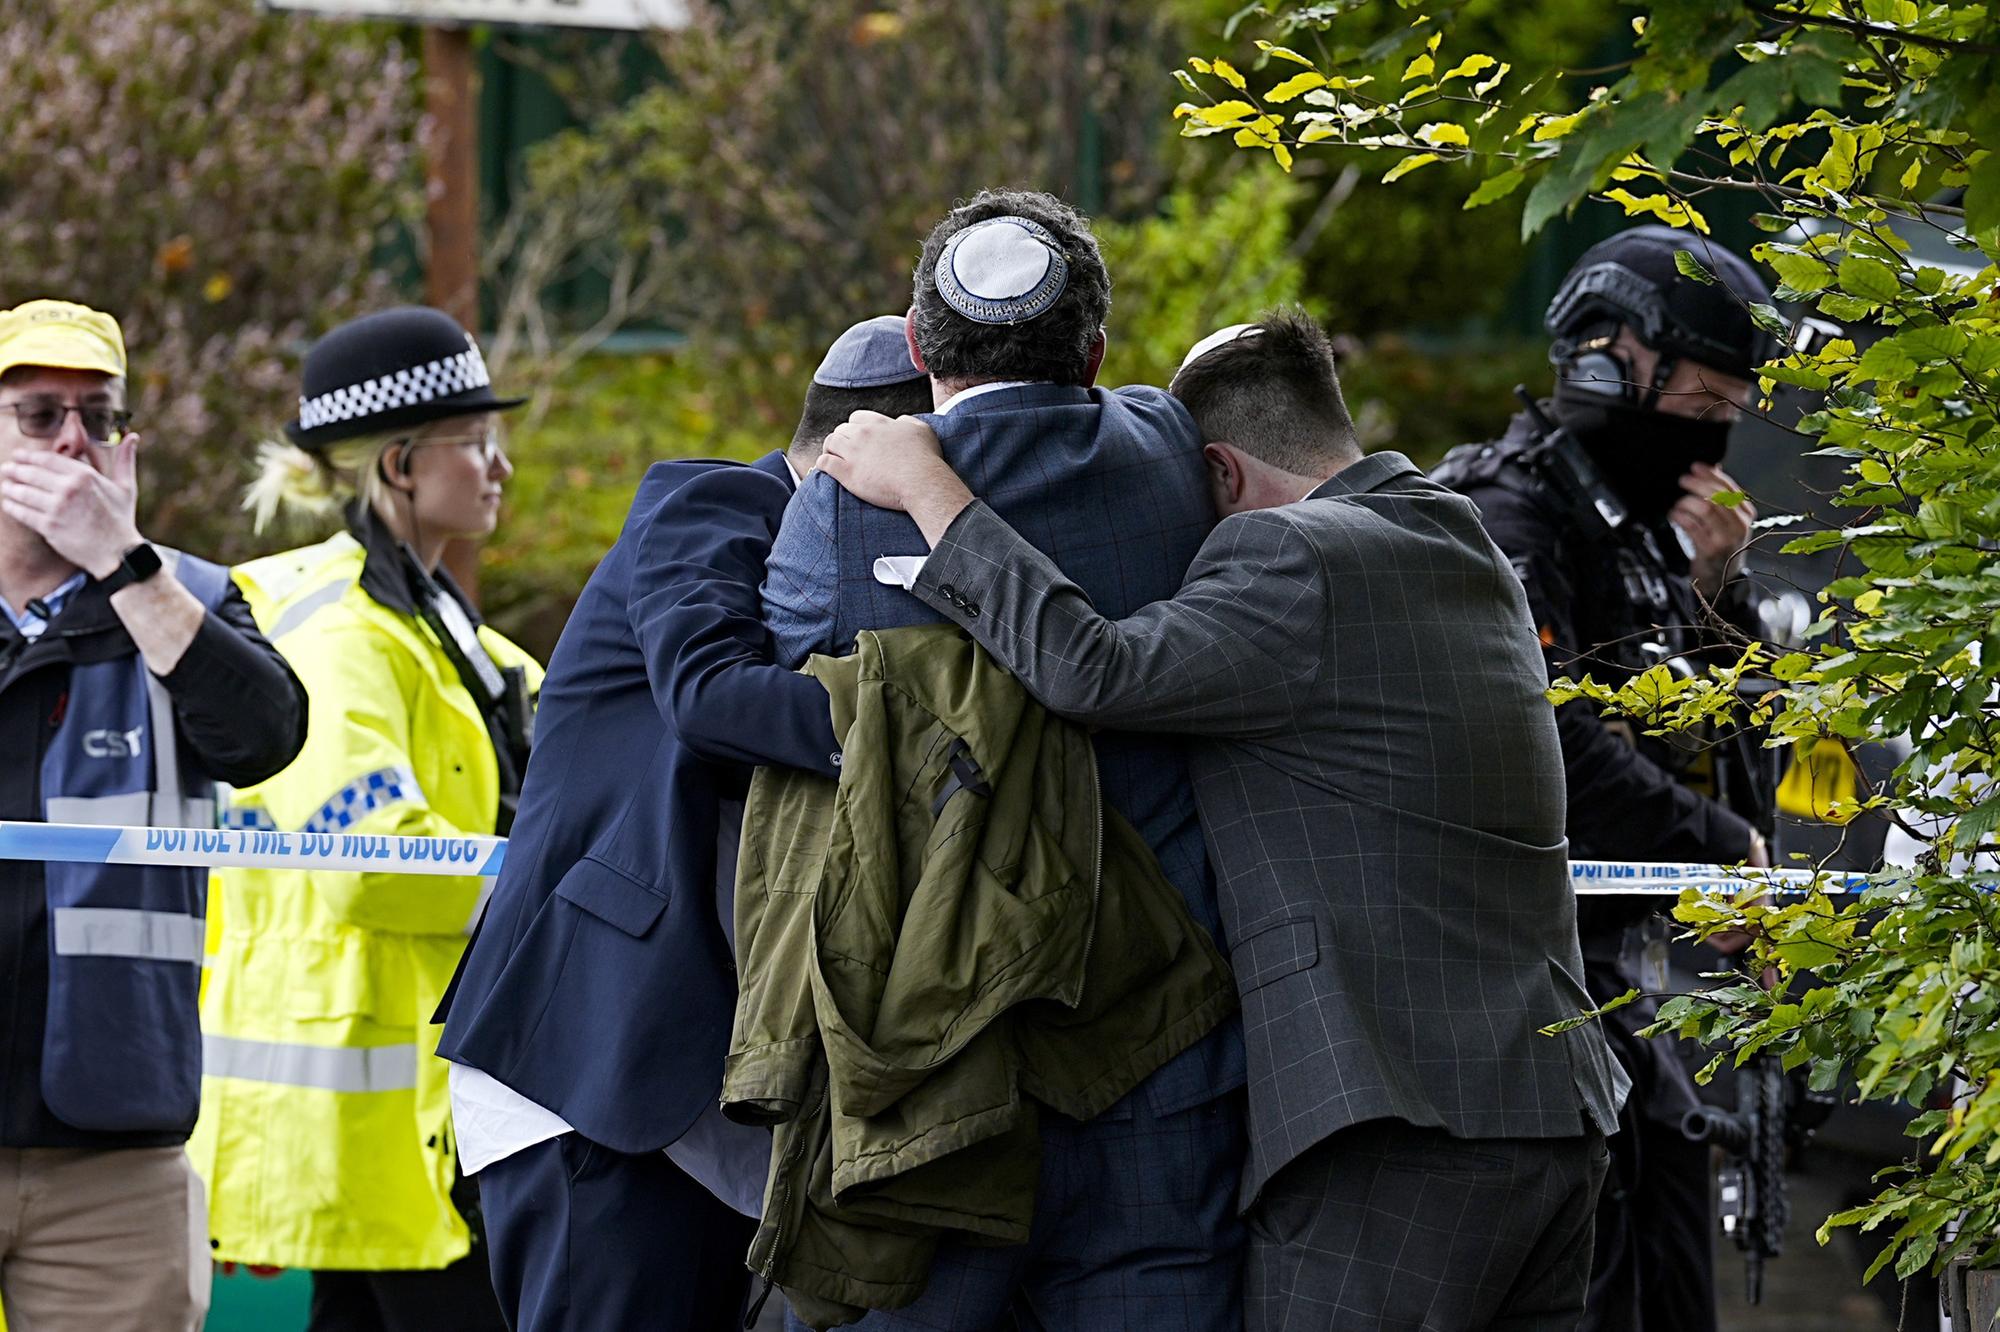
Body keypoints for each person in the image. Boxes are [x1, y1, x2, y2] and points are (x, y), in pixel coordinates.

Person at [817, 308, 1628, 1332]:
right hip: (1553, 1118)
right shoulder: (1449, 533)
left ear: (1223, 474)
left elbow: (1089, 667)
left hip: (1389, 1134)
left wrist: (925, 485)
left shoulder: (1288, 557)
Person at [762, 190, 1248, 1330]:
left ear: (917, 346)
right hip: (1156, 1041)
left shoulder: (836, 510)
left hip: (932, 1055)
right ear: (1094, 348)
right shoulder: (1172, 456)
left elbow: (795, 675)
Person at [434, 316, 934, 1331]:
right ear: (870, 454)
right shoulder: (711, 500)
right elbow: (708, 692)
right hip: (591, 1068)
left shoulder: (848, 570)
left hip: (702, 1088)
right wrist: (939, 732)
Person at [1427, 226, 1779, 1332]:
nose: (1712, 436)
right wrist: (1717, 851)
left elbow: (1735, 751)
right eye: (1695, 405)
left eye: (1731, 410)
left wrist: (1717, 595)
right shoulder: (1506, 518)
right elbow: (1547, 743)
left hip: (1623, 1004)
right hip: (1518, 1016)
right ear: (1600, 361)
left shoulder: (1643, 527)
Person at [187, 306, 541, 1332]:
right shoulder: (340, 632)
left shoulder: (434, 619)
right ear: (397, 465)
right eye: (474, 444)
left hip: (411, 1110)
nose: (499, 468)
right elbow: (373, 863)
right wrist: (557, 894)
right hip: (373, 1120)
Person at [0, 299, 306, 1330]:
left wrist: (124, 567)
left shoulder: (190, 598)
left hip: (114, 1154)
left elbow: (263, 738)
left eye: (98, 414)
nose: (73, 439)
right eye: (38, 415)